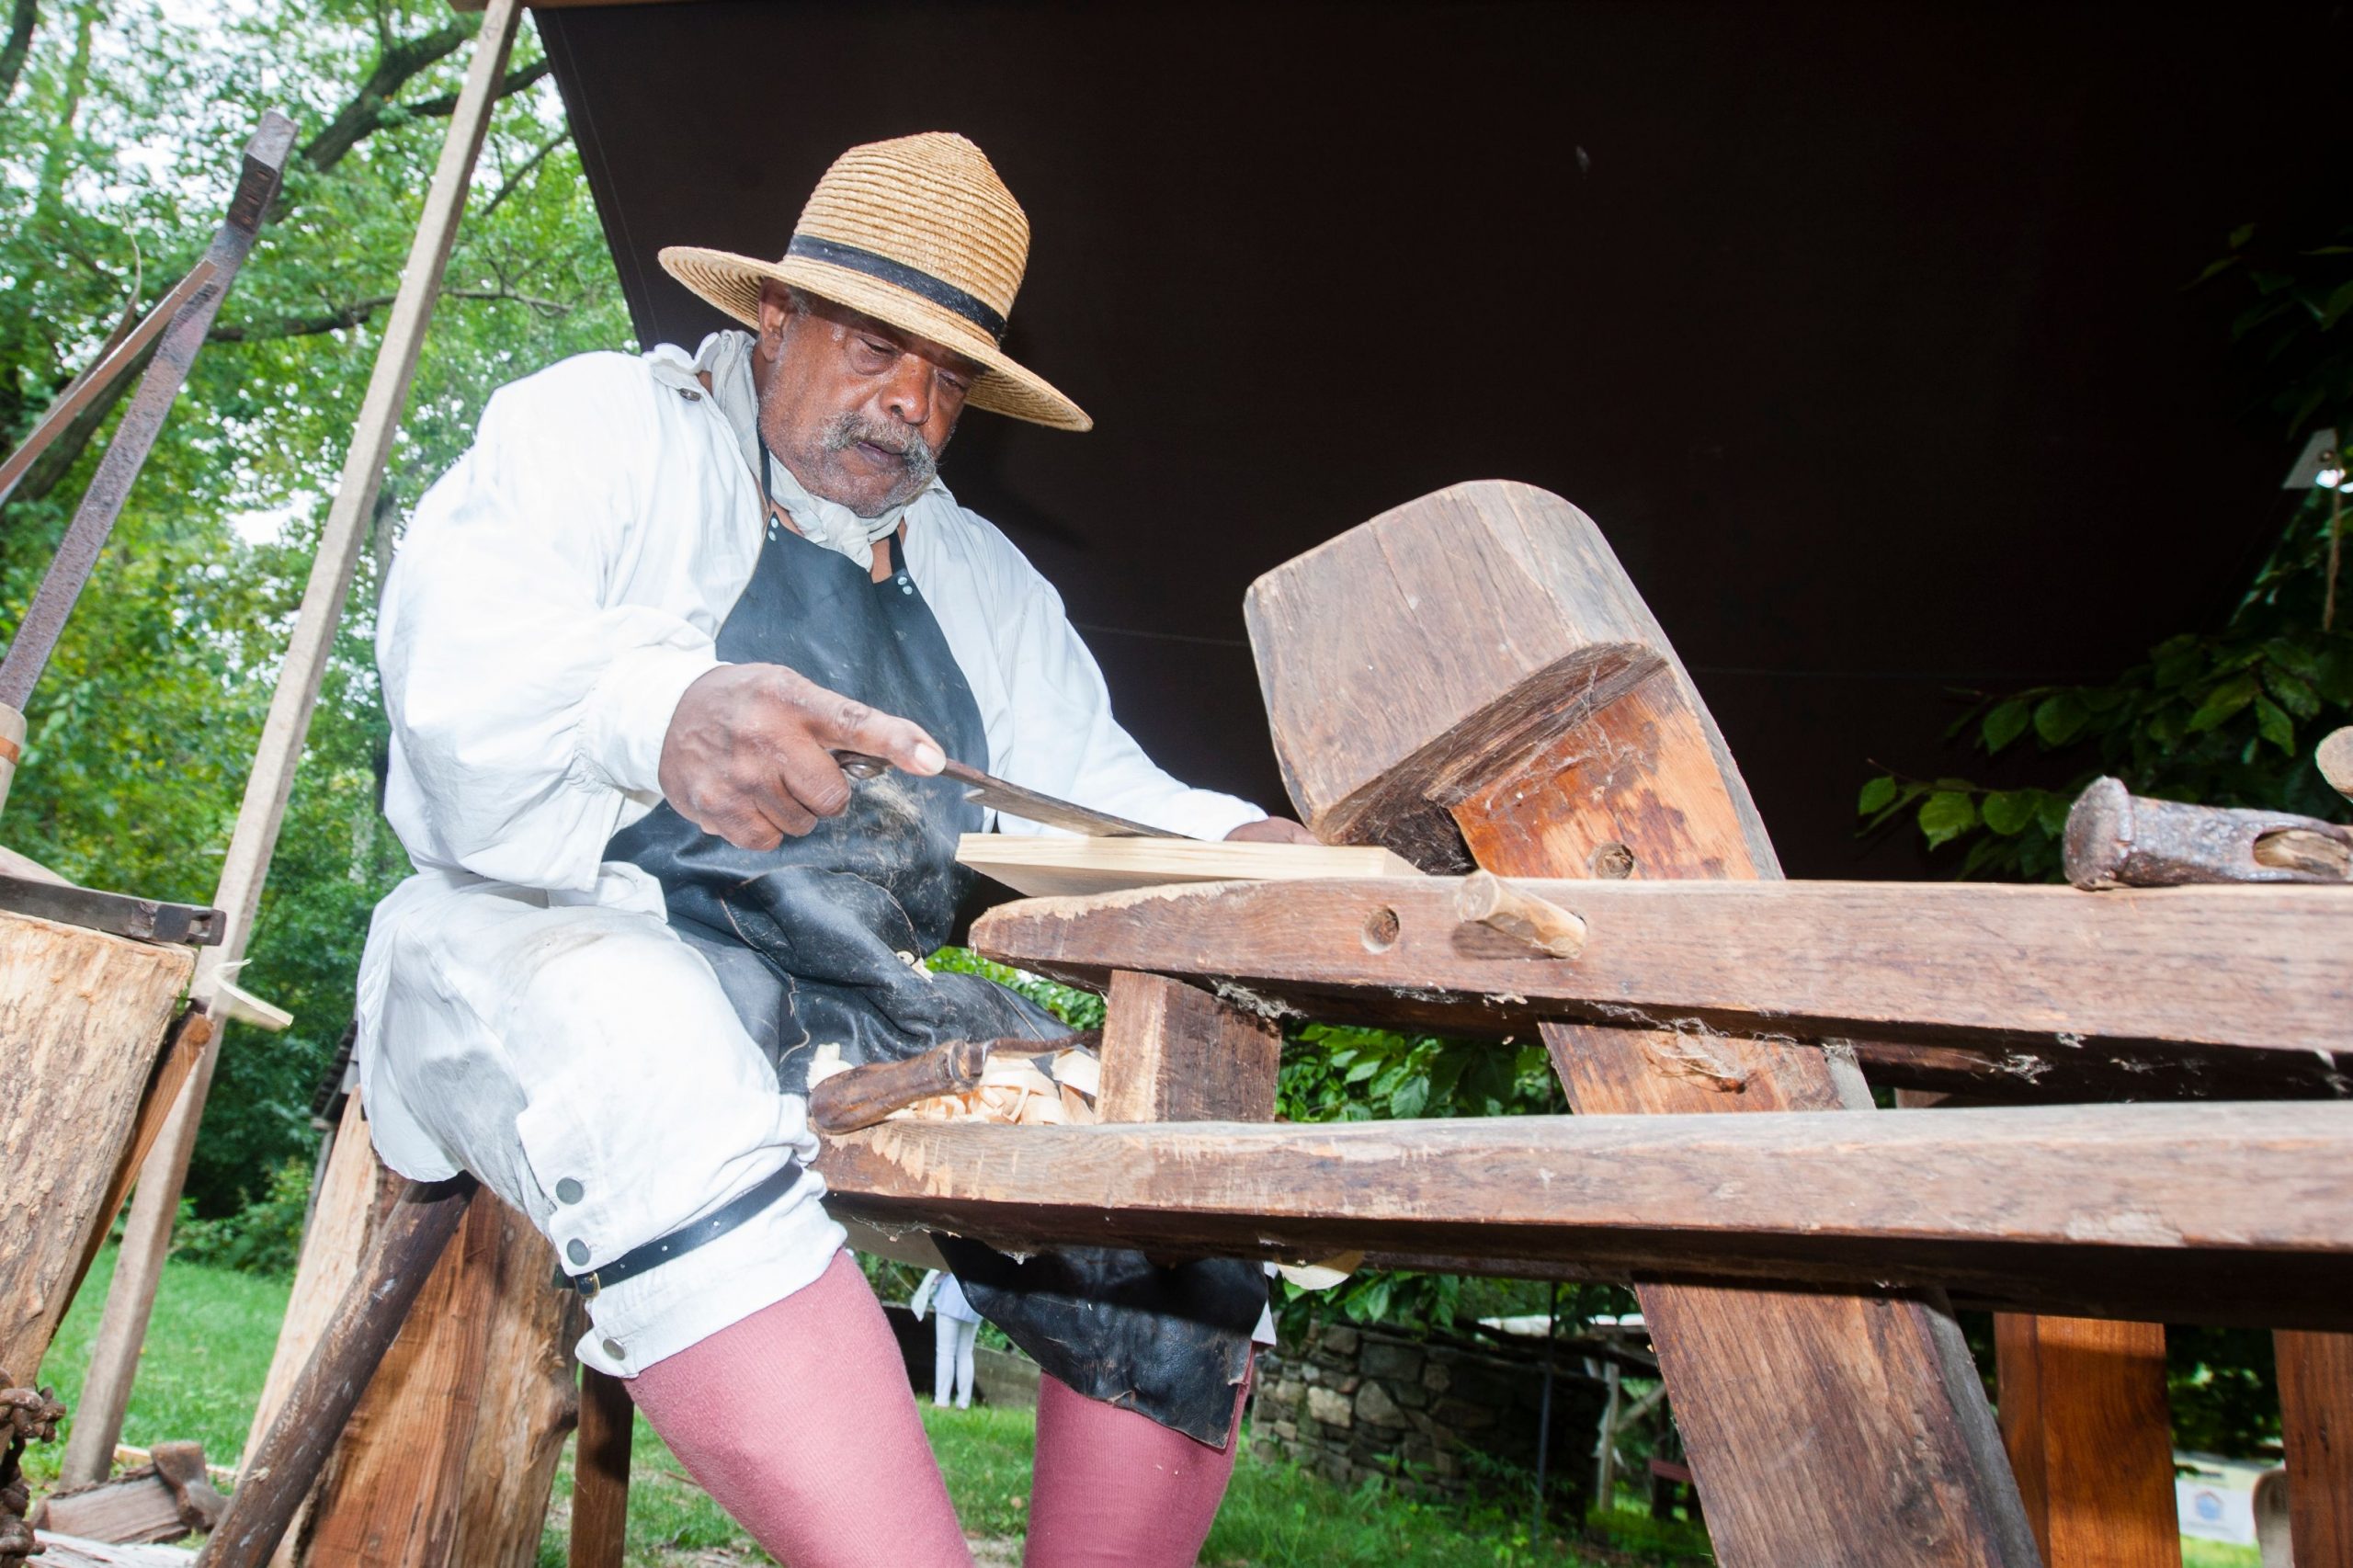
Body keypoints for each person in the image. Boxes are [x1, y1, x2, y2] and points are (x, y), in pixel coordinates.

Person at [355, 131, 1311, 1567]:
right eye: (877, 345)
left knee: (1166, 1180)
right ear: (774, 314)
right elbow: (453, 670)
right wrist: (657, 708)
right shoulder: (603, 431)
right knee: (648, 1044)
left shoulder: (976, 572)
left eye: (949, 378)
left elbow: (1097, 792)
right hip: (548, 936)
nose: (910, 402)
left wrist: (1251, 847)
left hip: (849, 992)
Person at [913, 1268, 983, 1409]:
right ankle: (963, 1403)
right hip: (975, 1301)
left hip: (952, 1296)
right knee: (965, 1354)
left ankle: (942, 1401)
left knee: (945, 1353)